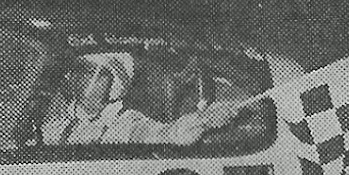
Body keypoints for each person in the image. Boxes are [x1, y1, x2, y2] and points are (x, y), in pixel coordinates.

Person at [41, 52, 240, 146]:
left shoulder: (126, 124)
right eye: (79, 71)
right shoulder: (59, 126)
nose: (81, 79)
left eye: (93, 74)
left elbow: (167, 136)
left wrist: (204, 120)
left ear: (115, 86)